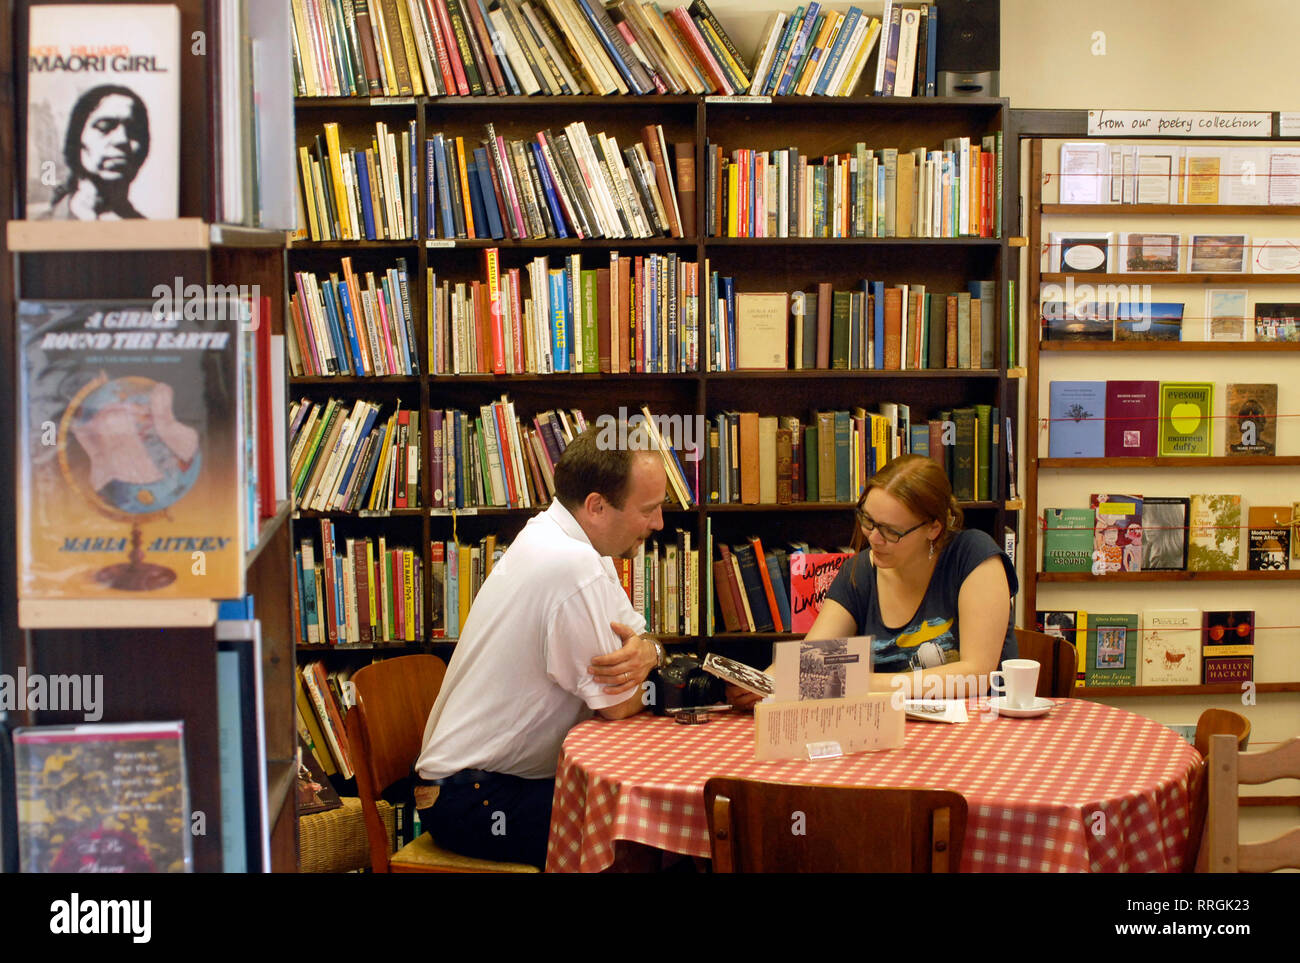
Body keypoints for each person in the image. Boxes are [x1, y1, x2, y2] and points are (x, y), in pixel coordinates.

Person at [413, 426, 669, 868]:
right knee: (643, 830)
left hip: (474, 786)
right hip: (474, 799)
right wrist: (647, 663)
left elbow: (639, 638)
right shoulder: (572, 565)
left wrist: (652, 652)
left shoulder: (563, 537)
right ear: (596, 506)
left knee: (633, 817)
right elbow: (622, 705)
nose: (659, 523)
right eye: (649, 509)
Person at [729, 454, 1016, 707]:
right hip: (891, 732)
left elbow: (977, 675)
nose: (874, 539)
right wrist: (763, 682)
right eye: (868, 521)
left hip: (977, 733)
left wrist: (857, 683)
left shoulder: (973, 556)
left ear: (933, 528)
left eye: (891, 531)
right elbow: (811, 658)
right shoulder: (860, 571)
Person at [41, 85, 150, 220]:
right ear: (77, 138)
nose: (122, 139)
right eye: (104, 126)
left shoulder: (155, 236)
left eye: (133, 130)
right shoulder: (42, 226)